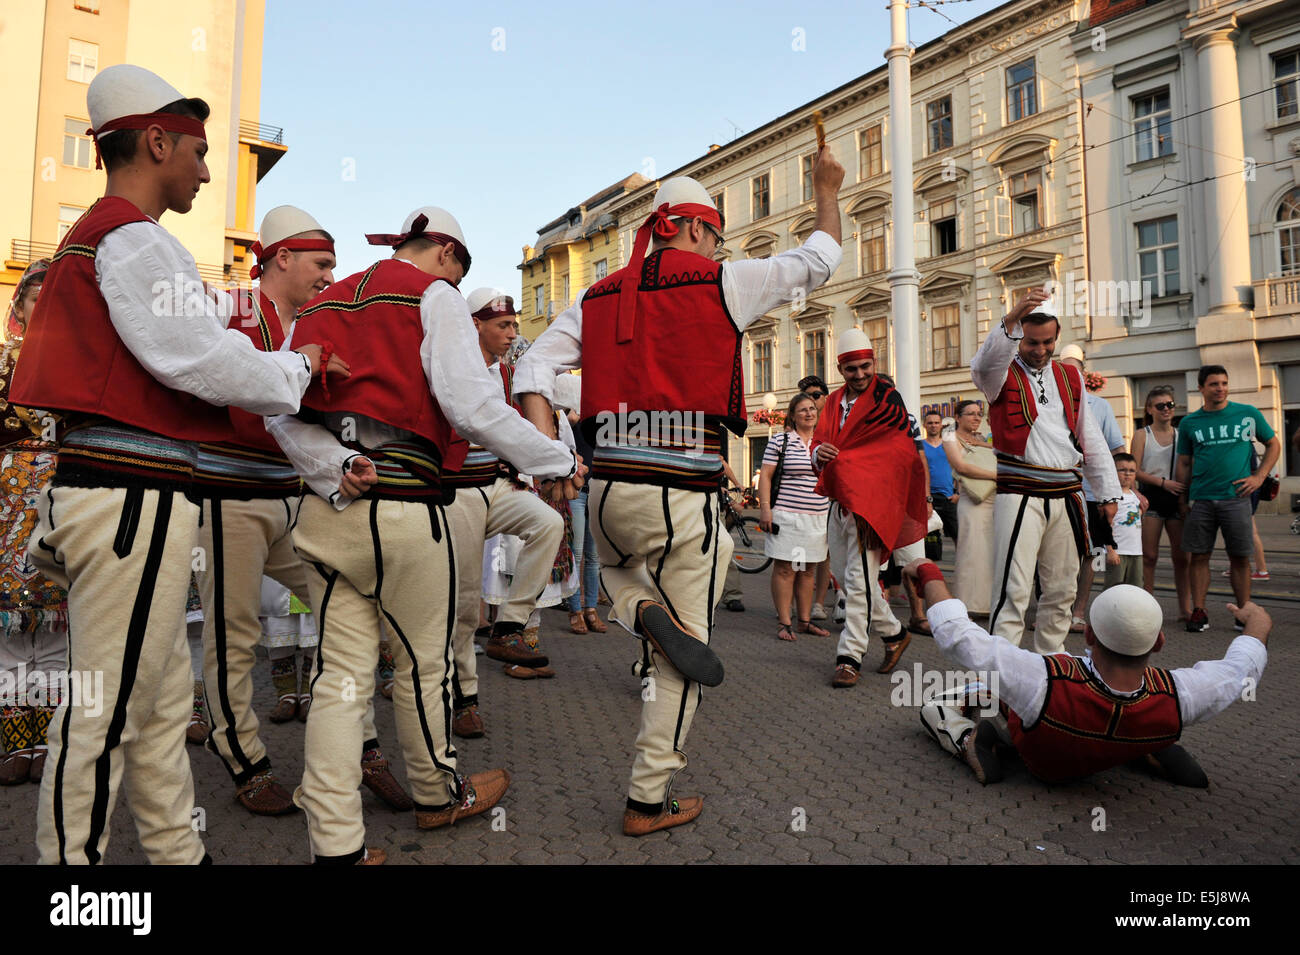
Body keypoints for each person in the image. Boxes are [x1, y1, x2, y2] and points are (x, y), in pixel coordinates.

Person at [11, 65, 333, 865]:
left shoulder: (107, 233)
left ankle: (176, 856)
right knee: (108, 710)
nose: (206, 169)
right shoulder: (133, 235)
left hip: (119, 492)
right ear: (155, 140)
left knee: (151, 706)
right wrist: (297, 370)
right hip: (131, 496)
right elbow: (198, 359)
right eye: (195, 150)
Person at [514, 148, 845, 836]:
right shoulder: (725, 281)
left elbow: (533, 368)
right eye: (715, 234)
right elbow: (820, 257)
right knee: (682, 653)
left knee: (613, 569)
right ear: (695, 230)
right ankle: (646, 797)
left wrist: (550, 459)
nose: (717, 246)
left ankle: (635, 608)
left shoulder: (595, 296)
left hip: (607, 484)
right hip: (679, 485)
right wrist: (825, 187)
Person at [268, 206, 579, 865]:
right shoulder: (432, 295)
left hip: (329, 509)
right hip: (408, 502)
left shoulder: (322, 305)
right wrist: (555, 459)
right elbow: (469, 405)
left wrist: (336, 465)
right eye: (458, 267)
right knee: (424, 664)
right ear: (443, 254)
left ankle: (335, 844)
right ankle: (440, 793)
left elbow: (280, 412)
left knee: (340, 677)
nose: (456, 280)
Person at [192, 204, 338, 817]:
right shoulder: (226, 307)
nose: (330, 277)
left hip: (291, 497)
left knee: (343, 595)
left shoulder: (316, 323)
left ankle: (357, 742)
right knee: (234, 632)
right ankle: (243, 758)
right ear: (282, 257)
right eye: (321, 264)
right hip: (229, 495)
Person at [907, 557, 1269, 788]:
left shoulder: (1043, 679)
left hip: (1046, 762)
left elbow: (959, 636)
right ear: (1159, 642)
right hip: (1128, 732)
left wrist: (928, 572)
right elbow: (1239, 670)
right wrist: (1258, 623)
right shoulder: (1181, 694)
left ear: (1090, 634)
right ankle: (1146, 747)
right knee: (1144, 717)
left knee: (937, 702)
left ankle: (969, 740)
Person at [969, 290, 1120, 654]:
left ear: (1057, 337)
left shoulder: (1070, 376)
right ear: (1020, 336)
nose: (1040, 349)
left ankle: (1050, 662)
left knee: (1062, 588)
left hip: (1068, 493)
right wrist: (1010, 318)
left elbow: (1090, 436)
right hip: (1019, 492)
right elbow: (982, 365)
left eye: (1048, 341)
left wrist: (1109, 493)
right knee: (1014, 588)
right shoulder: (999, 374)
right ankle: (1001, 671)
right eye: (1032, 341)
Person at [442, 287, 564, 733]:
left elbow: (559, 390)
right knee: (463, 602)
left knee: (548, 522)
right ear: (476, 324)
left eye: (514, 325)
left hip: (496, 484)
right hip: (456, 490)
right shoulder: (449, 367)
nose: (513, 333)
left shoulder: (511, 375)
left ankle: (509, 626)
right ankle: (465, 701)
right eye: (504, 326)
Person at [812, 331, 929, 688]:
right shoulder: (832, 402)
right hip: (840, 501)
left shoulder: (889, 399)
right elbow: (819, 441)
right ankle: (894, 634)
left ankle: (849, 657)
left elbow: (899, 453)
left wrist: (853, 462)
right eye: (851, 369)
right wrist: (820, 454)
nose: (859, 374)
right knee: (849, 580)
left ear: (874, 363)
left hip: (871, 505)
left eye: (864, 366)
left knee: (859, 583)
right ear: (840, 368)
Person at [0, 260, 66, 786]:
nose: (42, 307)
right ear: (19, 307)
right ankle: (14, 740)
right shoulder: (1, 365)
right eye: (34, 298)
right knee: (9, 635)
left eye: (53, 299)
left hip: (65, 501)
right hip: (6, 503)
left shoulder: (82, 367)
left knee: (58, 631)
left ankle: (50, 739)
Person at [1174, 365, 1281, 632]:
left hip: (1237, 498)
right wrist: (1182, 498)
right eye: (1213, 384)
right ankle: (1199, 611)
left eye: (1223, 383)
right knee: (1198, 556)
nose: (1220, 388)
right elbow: (1185, 463)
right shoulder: (1189, 423)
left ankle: (1243, 611)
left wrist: (1259, 477)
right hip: (1202, 499)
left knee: (1240, 558)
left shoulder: (1247, 413)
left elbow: (1274, 444)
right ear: (1201, 388)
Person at [1059, 344, 1127, 632]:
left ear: (1083, 374)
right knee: (1059, 552)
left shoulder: (1099, 406)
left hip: (1090, 491)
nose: (1070, 375)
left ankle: (1079, 611)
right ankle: (1057, 609)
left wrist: (1121, 488)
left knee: (1091, 555)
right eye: (1065, 370)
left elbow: (1116, 448)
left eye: (1075, 369)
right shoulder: (1051, 405)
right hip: (1058, 489)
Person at [758, 392, 830, 641]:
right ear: (793, 415)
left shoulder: (825, 442)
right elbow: (766, 476)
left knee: (808, 570)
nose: (809, 413)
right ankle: (784, 622)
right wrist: (765, 508)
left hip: (818, 517)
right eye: (803, 410)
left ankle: (805, 621)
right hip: (786, 515)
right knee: (786, 569)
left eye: (812, 408)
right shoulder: (781, 441)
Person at [1131, 386, 1191, 620]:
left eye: (1170, 405)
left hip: (1177, 500)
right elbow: (1133, 470)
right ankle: (1148, 609)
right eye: (1160, 406)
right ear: (1150, 409)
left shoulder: (1180, 435)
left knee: (1181, 558)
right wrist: (1162, 482)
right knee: (1149, 556)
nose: (1166, 409)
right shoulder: (1142, 434)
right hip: (1152, 498)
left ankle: (1185, 609)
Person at [942, 399, 996, 615]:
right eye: (970, 413)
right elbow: (961, 466)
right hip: (972, 501)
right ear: (957, 417)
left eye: (979, 414)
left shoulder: (981, 439)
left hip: (993, 500)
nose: (976, 418)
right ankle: (966, 603)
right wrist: (997, 476)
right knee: (970, 552)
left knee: (989, 554)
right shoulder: (949, 435)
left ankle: (986, 604)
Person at [797, 373, 834, 621]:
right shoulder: (793, 428)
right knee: (799, 556)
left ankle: (818, 603)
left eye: (816, 396)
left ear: (825, 398)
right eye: (807, 396)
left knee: (824, 555)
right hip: (799, 500)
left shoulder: (833, 424)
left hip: (828, 498)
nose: (811, 401)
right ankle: (800, 602)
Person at [1104, 454, 1145, 589]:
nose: (1127, 474)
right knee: (1114, 587)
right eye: (1122, 470)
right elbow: (1105, 524)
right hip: (1118, 552)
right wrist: (1110, 551)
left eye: (1132, 471)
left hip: (1136, 552)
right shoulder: (1111, 495)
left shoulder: (1134, 496)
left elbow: (1134, 515)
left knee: (1135, 588)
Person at [922, 410, 958, 545]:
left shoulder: (949, 445)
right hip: (927, 499)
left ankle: (963, 566)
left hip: (948, 497)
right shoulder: (919, 446)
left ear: (941, 425)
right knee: (929, 542)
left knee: (958, 536)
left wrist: (958, 493)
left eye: (937, 423)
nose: (933, 425)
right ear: (924, 425)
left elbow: (959, 469)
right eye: (930, 423)